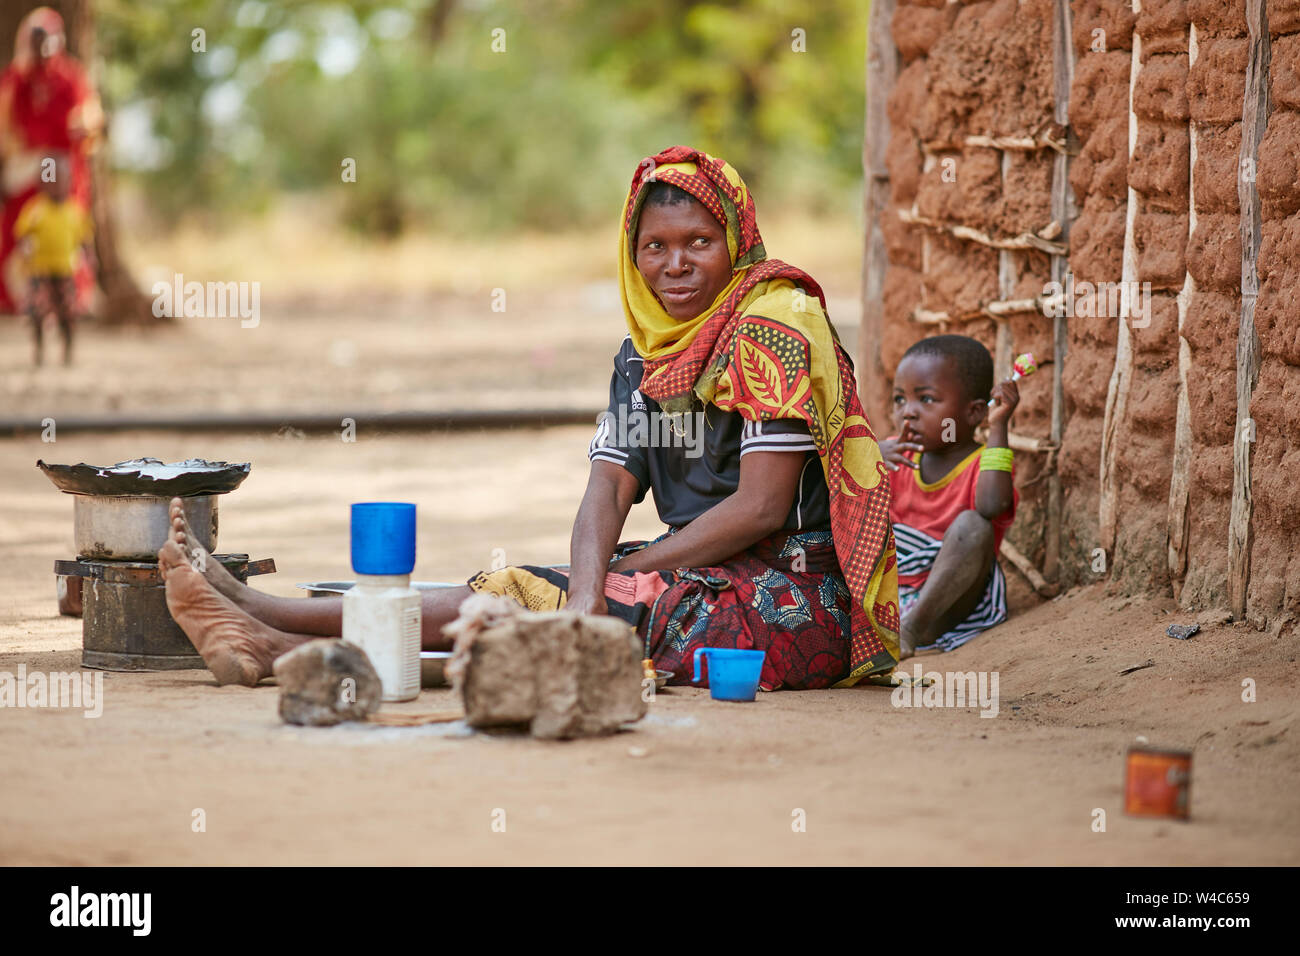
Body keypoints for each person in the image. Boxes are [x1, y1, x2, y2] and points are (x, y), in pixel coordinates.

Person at [159, 146, 901, 690]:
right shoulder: (642, 357)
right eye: (656, 248)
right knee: (541, 600)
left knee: (539, 599)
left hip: (792, 603)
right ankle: (272, 643)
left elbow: (762, 505)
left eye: (698, 244)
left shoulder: (775, 327)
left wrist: (621, 572)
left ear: (735, 243)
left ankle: (261, 614)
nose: (675, 266)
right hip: (693, 574)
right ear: (632, 256)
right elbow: (608, 489)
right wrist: (585, 589)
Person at [878, 334, 1020, 659]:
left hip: (943, 607)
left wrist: (998, 428)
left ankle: (910, 629)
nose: (908, 413)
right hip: (887, 594)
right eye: (900, 400)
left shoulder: (982, 466)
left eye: (926, 400)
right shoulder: (897, 455)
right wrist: (869, 457)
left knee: (974, 526)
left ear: (973, 413)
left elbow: (991, 507)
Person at [0, 7, 101, 315]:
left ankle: (75, 299)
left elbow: (90, 117)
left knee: (68, 229)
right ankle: (21, 300)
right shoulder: (15, 79)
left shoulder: (72, 76)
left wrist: (84, 127)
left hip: (64, 167)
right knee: (26, 231)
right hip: (30, 167)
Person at [14, 152, 91, 364]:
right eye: (50, 180)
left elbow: (84, 239)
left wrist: (89, 259)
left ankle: (68, 348)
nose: (55, 185)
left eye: (61, 180)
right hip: (40, 271)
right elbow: (23, 234)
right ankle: (38, 349)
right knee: (37, 312)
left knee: (68, 313)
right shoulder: (35, 210)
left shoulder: (74, 212)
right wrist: (25, 249)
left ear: (69, 182)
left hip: (65, 271)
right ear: (42, 183)